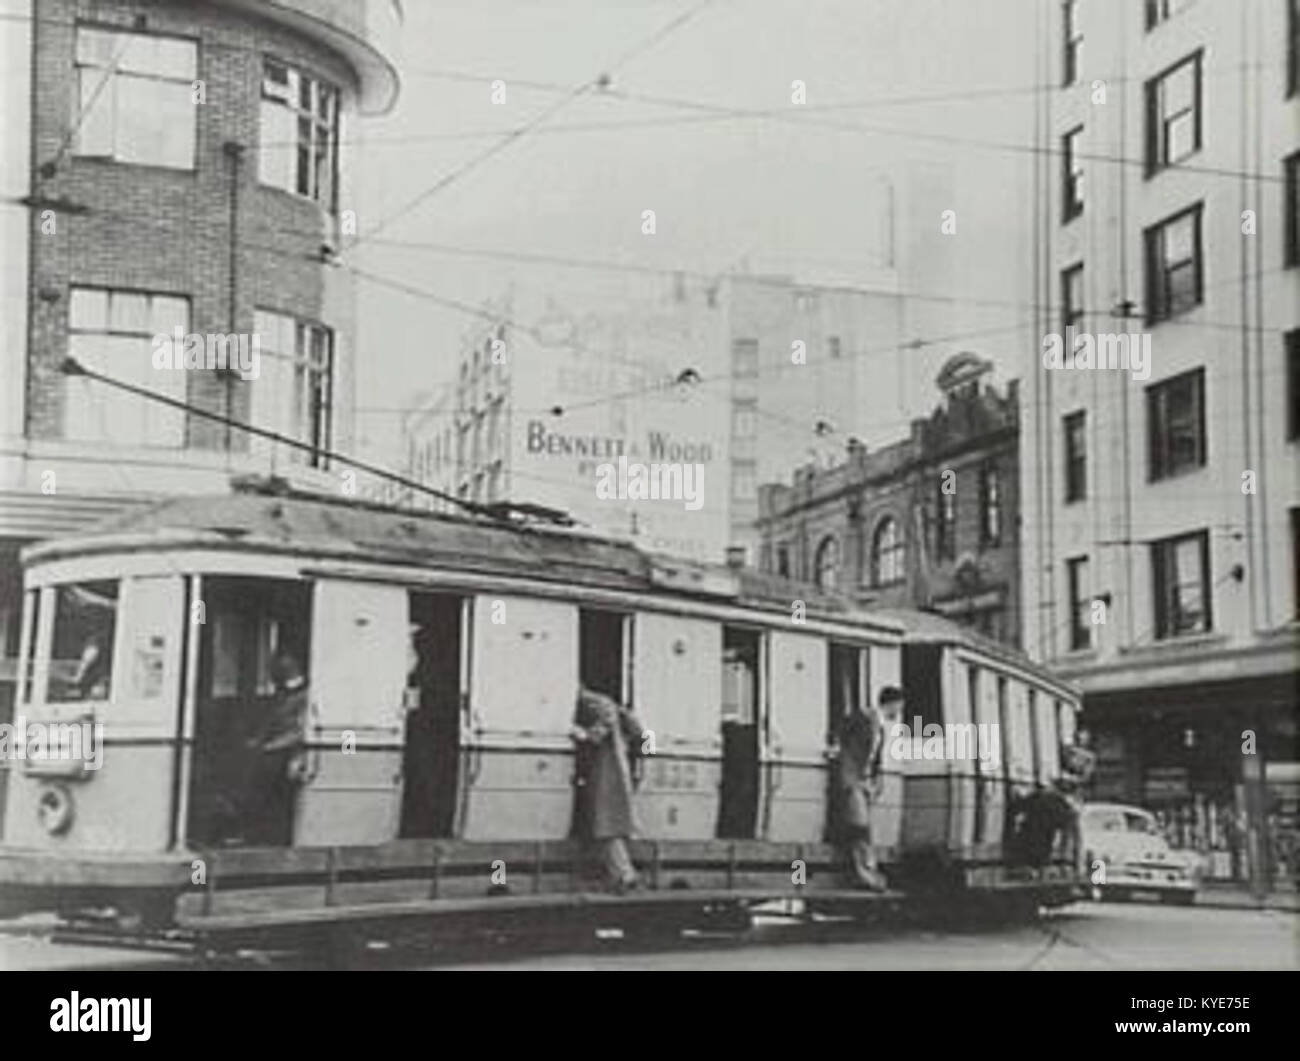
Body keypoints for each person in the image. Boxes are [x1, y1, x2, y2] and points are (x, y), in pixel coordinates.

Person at [570, 686, 644, 893]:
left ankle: (624, 876)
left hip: (607, 771)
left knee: (606, 824)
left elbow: (605, 721)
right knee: (607, 824)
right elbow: (640, 732)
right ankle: (621, 875)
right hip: (615, 769)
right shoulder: (613, 704)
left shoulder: (589, 699)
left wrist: (585, 735)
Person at [246, 649, 311, 845]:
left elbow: (300, 731)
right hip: (275, 749)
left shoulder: (304, 695)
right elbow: (271, 722)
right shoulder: (282, 694)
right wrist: (259, 741)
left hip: (288, 752)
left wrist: (269, 746)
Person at [836, 685, 894, 891]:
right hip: (852, 779)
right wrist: (849, 771)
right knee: (859, 826)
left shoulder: (881, 729)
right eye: (899, 706)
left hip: (863, 781)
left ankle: (866, 871)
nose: (899, 711)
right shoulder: (863, 717)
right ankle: (865, 873)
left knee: (863, 827)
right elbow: (843, 736)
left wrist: (874, 780)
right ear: (892, 703)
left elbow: (873, 757)